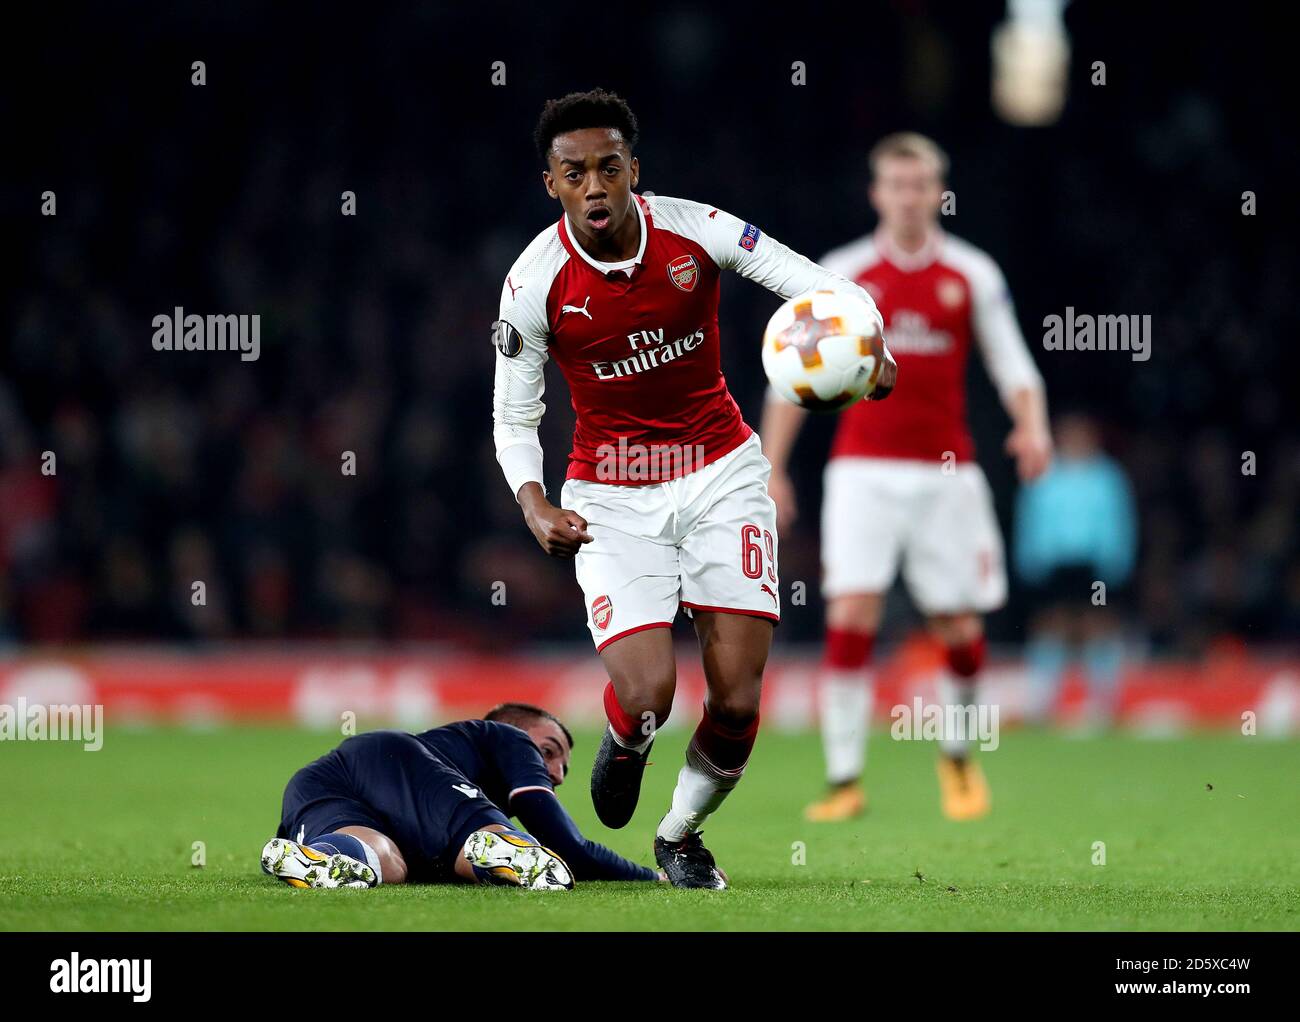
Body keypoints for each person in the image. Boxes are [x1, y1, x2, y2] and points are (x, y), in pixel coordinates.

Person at [491, 89, 894, 887]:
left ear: (634, 170)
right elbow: (514, 416)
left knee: (739, 700)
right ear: (552, 184)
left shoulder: (698, 229)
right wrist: (534, 501)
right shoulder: (532, 284)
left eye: (610, 167)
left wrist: (868, 347)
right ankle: (630, 737)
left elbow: (812, 284)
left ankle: (680, 834)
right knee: (648, 695)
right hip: (610, 493)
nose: (595, 186)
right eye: (576, 174)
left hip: (720, 473)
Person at [759, 132, 1051, 823]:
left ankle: (956, 758)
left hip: (948, 476)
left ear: (938, 192)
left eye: (921, 184)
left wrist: (1031, 424)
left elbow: (1014, 365)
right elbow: (788, 374)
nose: (909, 195)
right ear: (877, 193)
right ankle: (843, 780)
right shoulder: (843, 272)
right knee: (850, 614)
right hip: (862, 470)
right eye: (897, 183)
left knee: (957, 623)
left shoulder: (971, 274)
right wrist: (773, 467)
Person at [261, 702, 659, 890]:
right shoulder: (510, 737)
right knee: (512, 847)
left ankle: (320, 858)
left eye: (563, 770)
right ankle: (506, 849)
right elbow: (568, 845)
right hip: (390, 756)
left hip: (316, 784)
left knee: (383, 863)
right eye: (550, 751)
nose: (555, 773)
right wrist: (651, 876)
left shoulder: (425, 811)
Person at [1014, 413, 1137, 727]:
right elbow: (1030, 518)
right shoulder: (1044, 472)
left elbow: (1120, 520)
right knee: (1051, 624)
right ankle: (1042, 702)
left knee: (1098, 624)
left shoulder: (1108, 476)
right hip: (1054, 562)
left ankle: (1104, 702)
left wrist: (1117, 560)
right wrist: (1030, 558)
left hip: (1094, 562)